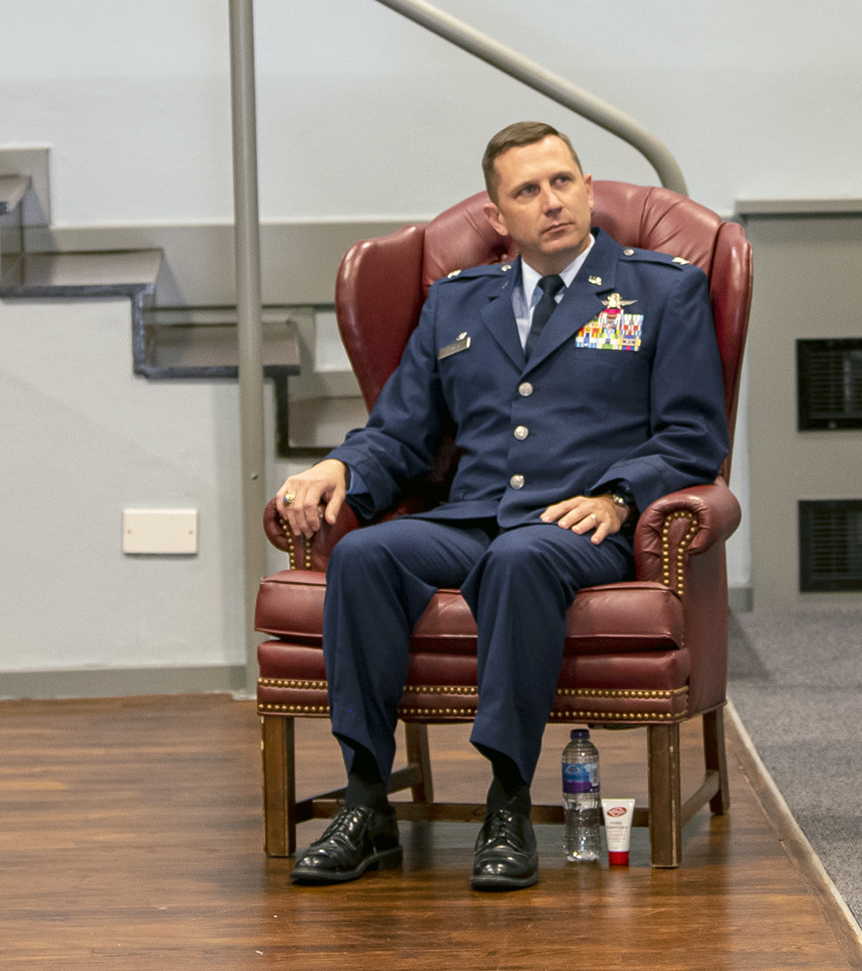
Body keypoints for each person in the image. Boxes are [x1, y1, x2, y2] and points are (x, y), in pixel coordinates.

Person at [275, 121, 727, 892]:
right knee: (362, 554)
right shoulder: (456, 303)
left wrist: (620, 498)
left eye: (563, 181)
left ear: (586, 187)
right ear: (497, 215)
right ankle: (364, 803)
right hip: (474, 515)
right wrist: (337, 465)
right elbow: (400, 430)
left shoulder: (660, 288)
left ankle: (508, 799)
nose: (552, 201)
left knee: (521, 557)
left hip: (579, 524)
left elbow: (691, 436)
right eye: (528, 190)